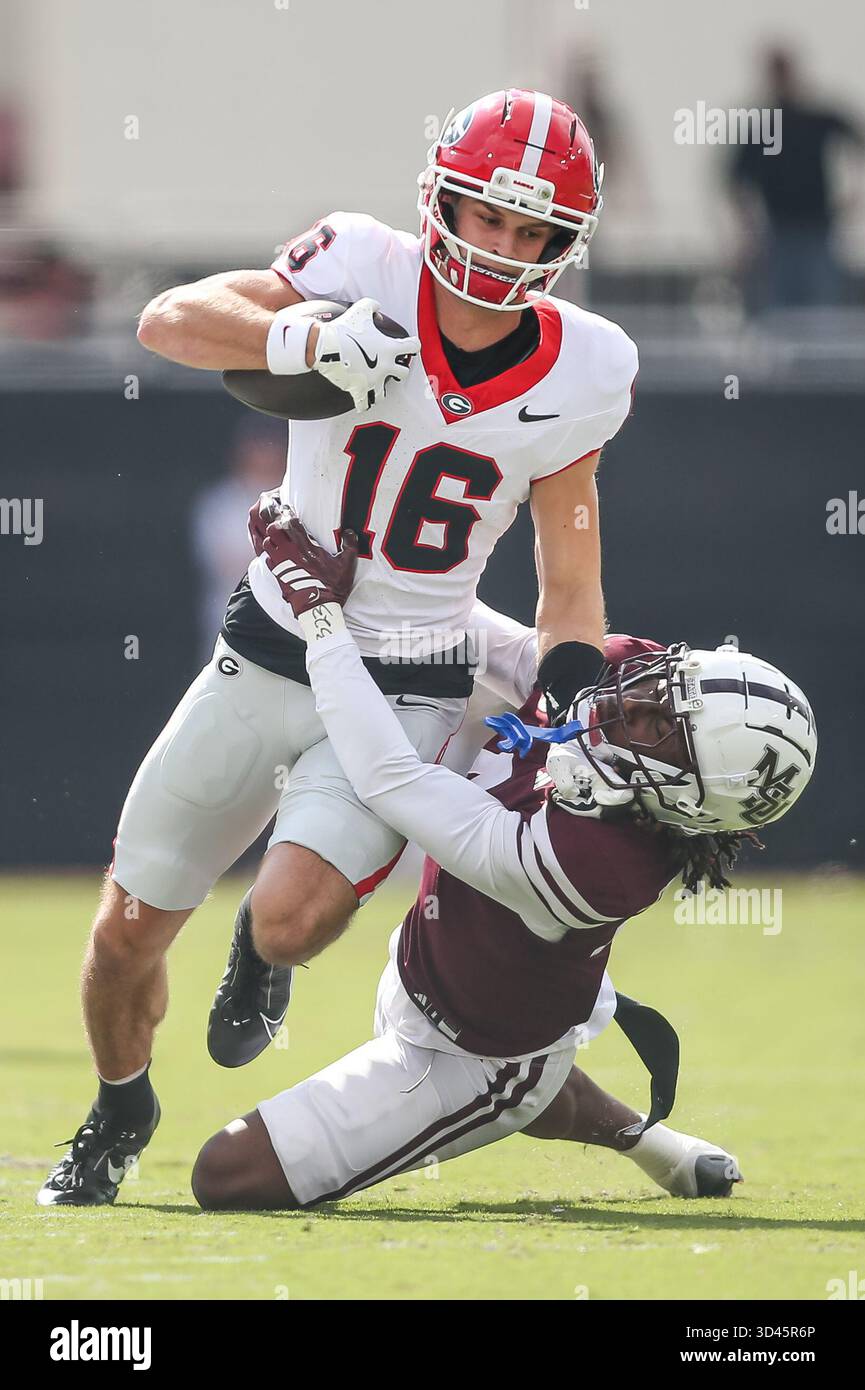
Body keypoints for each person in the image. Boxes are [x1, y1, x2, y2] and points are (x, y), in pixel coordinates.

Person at [38, 89, 639, 1207]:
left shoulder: (583, 369)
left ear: (563, 247)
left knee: (291, 915)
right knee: (123, 938)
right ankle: (122, 1104)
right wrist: (301, 335)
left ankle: (258, 960)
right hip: (268, 646)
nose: (501, 248)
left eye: (531, 232)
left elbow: (571, 587)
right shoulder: (360, 264)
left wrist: (566, 704)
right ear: (438, 199)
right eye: (484, 216)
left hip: (411, 670)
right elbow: (166, 320)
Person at [188, 514, 816, 1210]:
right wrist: (366, 576)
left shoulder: (595, 866)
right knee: (531, 1064)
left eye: (662, 726)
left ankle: (569, 1107)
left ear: (686, 801)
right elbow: (488, 642)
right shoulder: (625, 676)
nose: (634, 698)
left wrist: (324, 621)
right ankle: (646, 1140)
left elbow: (389, 776)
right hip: (441, 956)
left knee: (225, 1176)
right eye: (668, 686)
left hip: (470, 1052)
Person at [730, 47, 864, 312]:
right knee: (783, 317)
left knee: (820, 316)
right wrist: (747, 230)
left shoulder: (816, 119)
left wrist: (854, 196)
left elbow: (856, 142)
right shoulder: (762, 126)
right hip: (779, 231)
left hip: (818, 228)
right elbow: (737, 181)